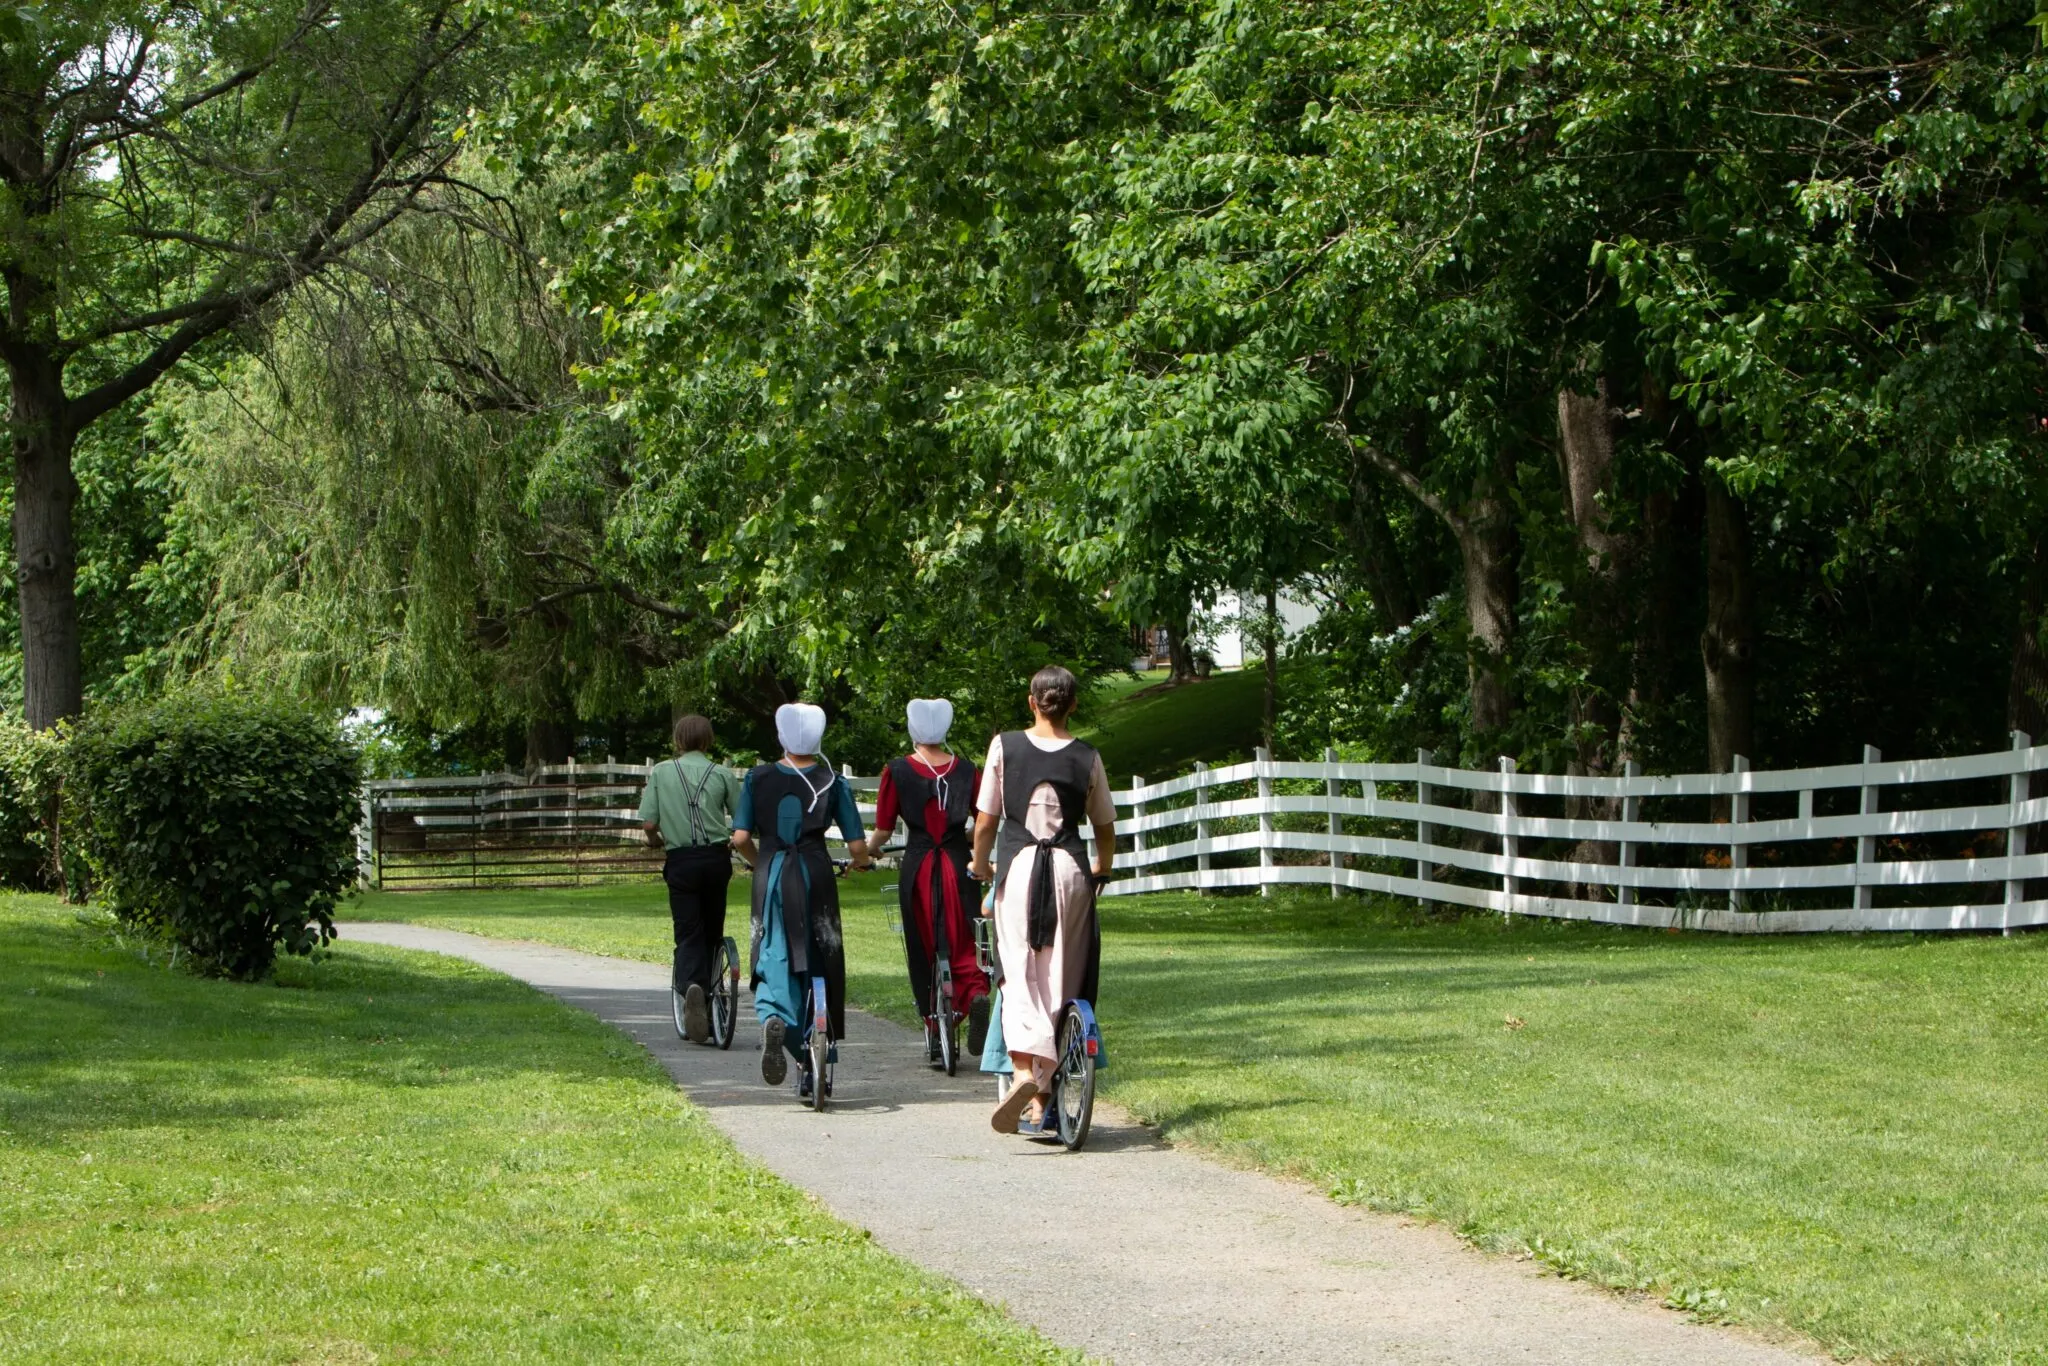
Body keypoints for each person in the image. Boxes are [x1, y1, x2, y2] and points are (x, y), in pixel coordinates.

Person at [969, 665, 1116, 1134]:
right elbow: (1104, 828)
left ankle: (1022, 1071)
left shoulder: (1004, 746)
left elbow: (986, 823)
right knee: (1062, 976)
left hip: (1019, 868)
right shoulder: (1087, 757)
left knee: (1017, 973)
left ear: (1032, 702)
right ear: (1073, 704)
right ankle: (1044, 1099)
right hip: (1070, 871)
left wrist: (980, 865)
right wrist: (1102, 868)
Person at [732, 702, 871, 1098]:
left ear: (781, 736)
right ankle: (818, 1053)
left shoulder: (757, 778)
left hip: (772, 872)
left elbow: (740, 838)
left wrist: (760, 863)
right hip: (815, 872)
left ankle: (776, 1019)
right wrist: (860, 863)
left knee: (772, 951)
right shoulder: (832, 781)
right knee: (822, 954)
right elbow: (857, 845)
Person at [865, 698, 991, 1063]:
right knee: (965, 934)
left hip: (919, 865)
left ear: (912, 729)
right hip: (958, 863)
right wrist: (967, 842)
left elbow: (884, 829)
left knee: (923, 943)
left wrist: (871, 851)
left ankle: (934, 1021)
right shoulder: (966, 770)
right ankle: (975, 992)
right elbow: (985, 821)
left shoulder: (897, 771)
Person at [638, 713, 742, 1043]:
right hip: (715, 859)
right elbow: (742, 820)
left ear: (678, 740)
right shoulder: (722, 774)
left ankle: (691, 986)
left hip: (681, 860)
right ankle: (711, 994)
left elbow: (649, 824)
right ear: (708, 740)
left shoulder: (662, 772)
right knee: (712, 929)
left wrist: (654, 841)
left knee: (687, 931)